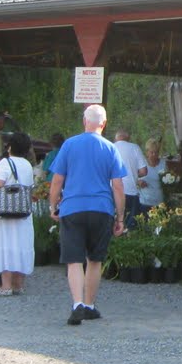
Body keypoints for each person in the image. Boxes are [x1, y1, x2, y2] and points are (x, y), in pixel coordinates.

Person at [48, 104, 127, 326]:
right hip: (101, 209)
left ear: (85, 121)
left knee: (74, 260)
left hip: (72, 208)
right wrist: (120, 217)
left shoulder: (69, 145)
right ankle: (90, 305)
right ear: (104, 123)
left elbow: (57, 180)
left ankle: (77, 304)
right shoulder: (111, 148)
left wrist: (53, 205)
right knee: (95, 259)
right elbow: (118, 186)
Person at [0, 132, 36, 294]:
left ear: (10, 147)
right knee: (21, 244)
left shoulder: (5, 163)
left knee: (4, 244)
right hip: (22, 212)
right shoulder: (27, 165)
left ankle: (5, 286)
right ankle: (18, 285)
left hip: (4, 211)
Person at [112, 128, 148, 229]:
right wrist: (134, 174)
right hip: (131, 191)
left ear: (116, 138)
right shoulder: (134, 147)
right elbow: (144, 171)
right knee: (130, 225)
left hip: (113, 191)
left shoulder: (110, 147)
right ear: (128, 138)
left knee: (114, 223)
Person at [138, 137, 166, 214]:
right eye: (152, 152)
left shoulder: (163, 164)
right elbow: (133, 179)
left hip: (159, 202)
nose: (154, 154)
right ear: (147, 152)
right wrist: (138, 183)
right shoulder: (141, 164)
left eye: (156, 152)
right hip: (145, 202)